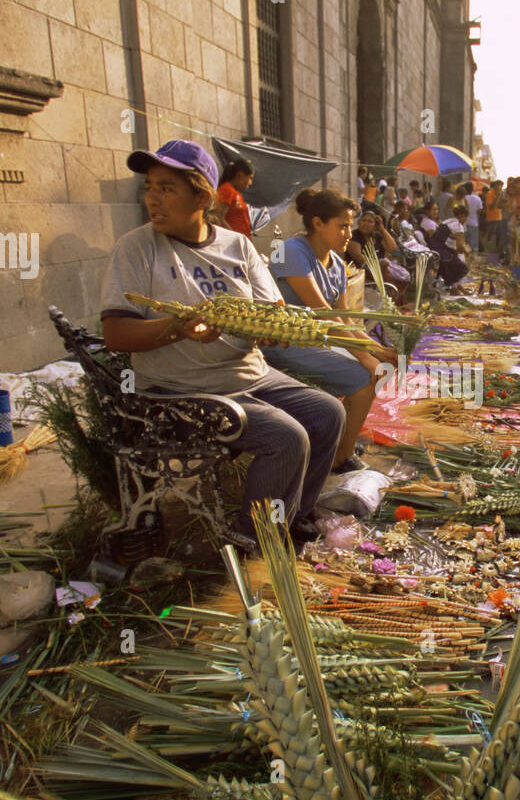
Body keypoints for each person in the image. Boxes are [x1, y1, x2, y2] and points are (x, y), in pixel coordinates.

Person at [101, 141, 345, 549]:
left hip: (249, 374)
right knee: (287, 437)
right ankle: (256, 539)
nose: (153, 200)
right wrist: (179, 328)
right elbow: (116, 335)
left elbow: (271, 312)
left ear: (202, 195)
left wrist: (271, 329)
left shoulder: (238, 246)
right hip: (177, 390)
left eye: (166, 188)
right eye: (149, 188)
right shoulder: (137, 248)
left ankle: (294, 515)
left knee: (328, 412)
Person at [264, 188, 397, 473]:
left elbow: (345, 319)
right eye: (343, 226)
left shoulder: (337, 262)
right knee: (366, 376)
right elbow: (324, 314)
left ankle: (339, 441)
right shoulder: (291, 252)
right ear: (318, 223)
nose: (348, 234)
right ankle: (340, 456)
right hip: (285, 342)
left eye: (350, 226)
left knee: (382, 365)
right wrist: (365, 357)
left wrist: (378, 350)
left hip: (319, 341)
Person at [425, 199, 470, 290]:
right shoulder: (458, 225)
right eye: (466, 217)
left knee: (454, 259)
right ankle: (451, 286)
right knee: (463, 268)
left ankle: (455, 287)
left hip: (434, 248)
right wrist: (467, 252)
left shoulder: (447, 221)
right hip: (440, 251)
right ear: (462, 216)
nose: (466, 220)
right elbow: (460, 247)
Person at [213, 158, 254, 238]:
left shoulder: (236, 194)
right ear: (240, 175)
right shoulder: (226, 189)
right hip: (233, 243)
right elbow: (218, 218)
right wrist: (235, 238)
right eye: (250, 178)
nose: (250, 182)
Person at [463, 184, 483, 251]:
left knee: (465, 243)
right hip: (474, 223)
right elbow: (480, 210)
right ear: (472, 189)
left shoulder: (463, 198)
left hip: (463, 223)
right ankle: (473, 259)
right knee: (474, 245)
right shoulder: (477, 198)